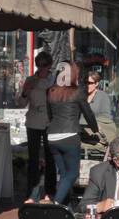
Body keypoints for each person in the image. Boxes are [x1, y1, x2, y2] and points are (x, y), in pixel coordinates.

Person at [38, 61, 99, 207]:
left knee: (64, 174)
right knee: (71, 174)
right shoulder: (77, 91)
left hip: (52, 136)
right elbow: (88, 112)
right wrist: (95, 129)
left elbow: (49, 115)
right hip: (70, 135)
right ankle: (57, 203)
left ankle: (67, 207)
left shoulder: (51, 91)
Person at [19, 51, 55, 202]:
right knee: (33, 159)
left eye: (44, 65)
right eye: (38, 65)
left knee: (50, 158)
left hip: (49, 122)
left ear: (49, 66)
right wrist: (25, 92)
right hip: (33, 121)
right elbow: (20, 104)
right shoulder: (30, 79)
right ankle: (31, 193)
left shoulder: (54, 81)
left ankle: (49, 192)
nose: (41, 68)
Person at [85, 69, 116, 146]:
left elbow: (106, 116)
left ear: (96, 84)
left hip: (95, 130)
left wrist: (95, 123)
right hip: (81, 129)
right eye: (85, 83)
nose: (87, 85)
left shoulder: (102, 96)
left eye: (90, 83)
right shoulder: (81, 95)